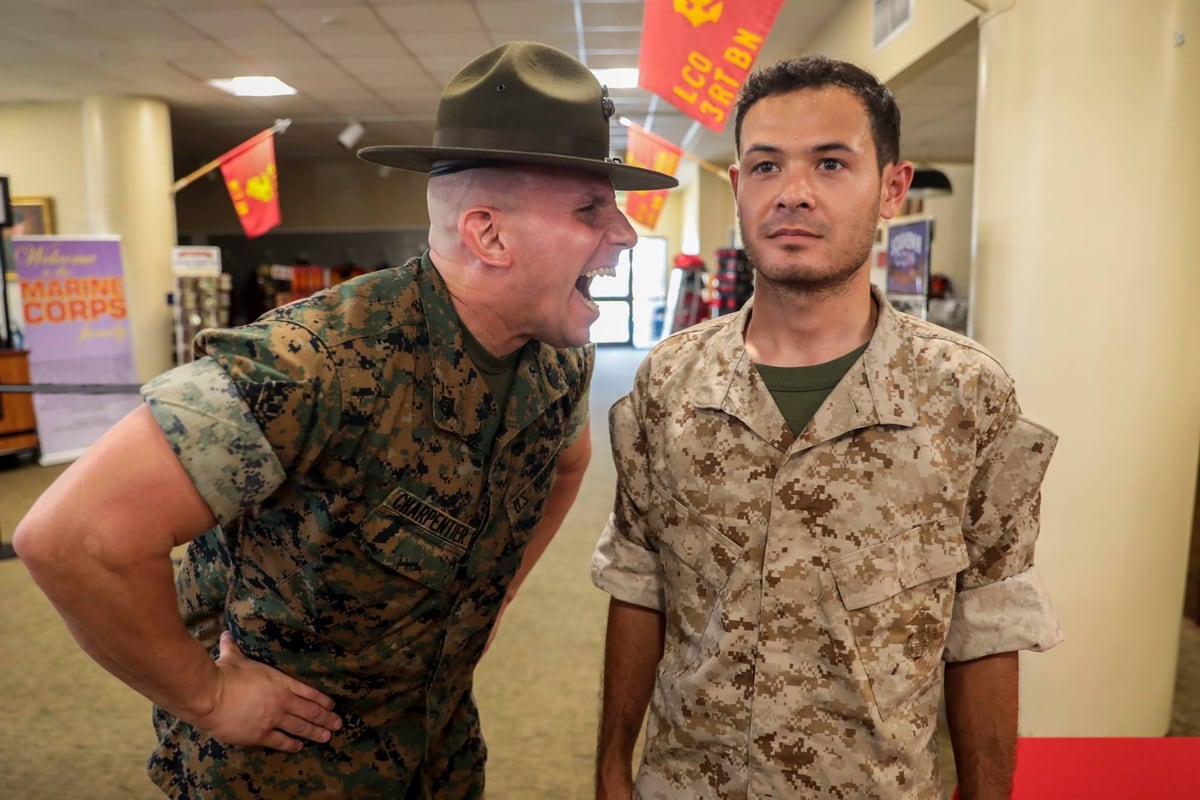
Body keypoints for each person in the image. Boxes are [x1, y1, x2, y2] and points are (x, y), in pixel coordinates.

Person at [13, 41, 676, 799]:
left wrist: (498, 596)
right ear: (489, 234)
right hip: (285, 770)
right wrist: (210, 698)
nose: (624, 233)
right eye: (592, 210)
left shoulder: (556, 358)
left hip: (439, 747)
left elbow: (565, 464)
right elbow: (73, 539)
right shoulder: (311, 362)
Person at [591, 55, 1062, 800]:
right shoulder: (670, 384)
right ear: (740, 188)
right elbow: (639, 583)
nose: (795, 193)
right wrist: (612, 769)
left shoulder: (967, 394)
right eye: (767, 166)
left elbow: (988, 620)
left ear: (891, 188)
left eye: (832, 164)